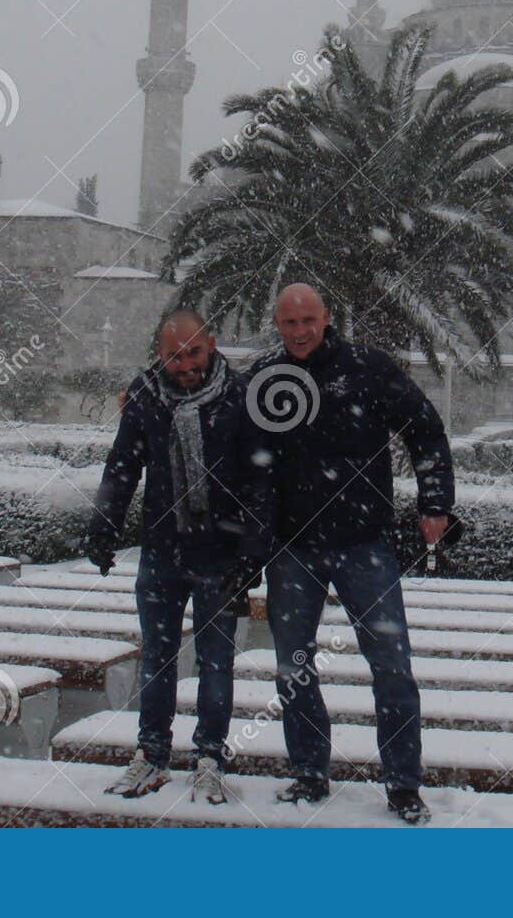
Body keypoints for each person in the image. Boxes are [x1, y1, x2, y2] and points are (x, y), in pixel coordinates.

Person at [247, 283, 454, 825]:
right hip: (293, 550)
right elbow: (222, 429)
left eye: (308, 320)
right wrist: (145, 394)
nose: (299, 332)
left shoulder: (367, 366)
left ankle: (404, 785)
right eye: (289, 324)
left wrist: (436, 503)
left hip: (364, 546)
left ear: (327, 317)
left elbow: (426, 431)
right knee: (293, 668)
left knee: (392, 667)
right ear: (277, 323)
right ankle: (310, 773)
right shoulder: (265, 377)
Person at [85, 308, 270, 803]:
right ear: (159, 354)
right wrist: (102, 528)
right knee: (157, 658)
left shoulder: (241, 395)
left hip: (221, 553)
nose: (185, 364)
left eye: (193, 352)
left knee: (215, 663)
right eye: (174, 355)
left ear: (210, 344)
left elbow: (259, 479)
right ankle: (152, 754)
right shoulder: (146, 395)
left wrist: (253, 552)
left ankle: (209, 756)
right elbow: (122, 466)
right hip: (163, 549)